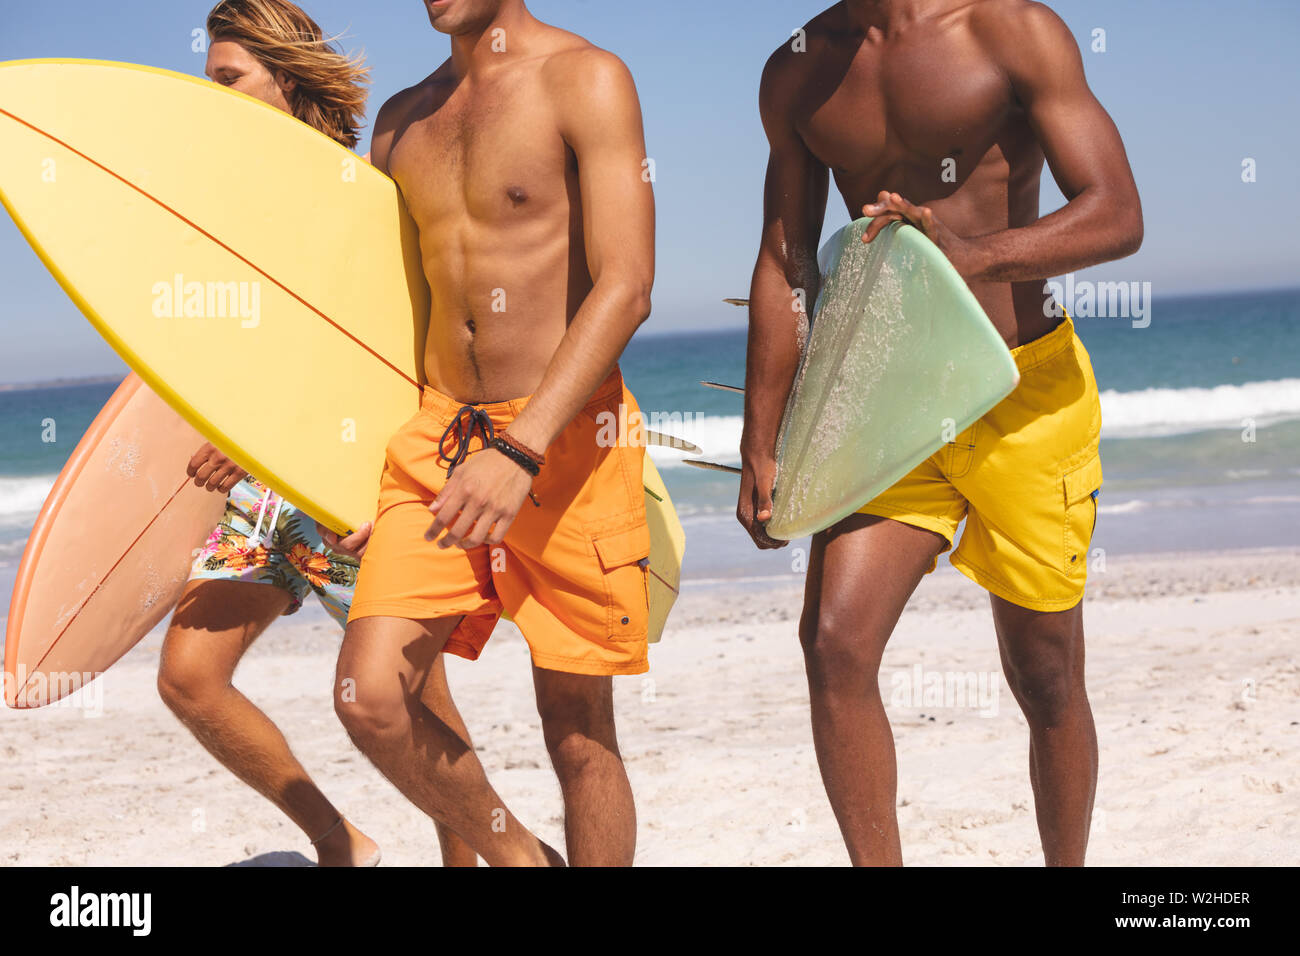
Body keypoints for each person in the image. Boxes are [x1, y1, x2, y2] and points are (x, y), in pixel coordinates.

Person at [737, 0, 1142, 866]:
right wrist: (759, 440)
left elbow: (1116, 214)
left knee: (1044, 675)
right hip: (888, 395)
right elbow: (786, 261)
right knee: (834, 644)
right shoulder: (799, 68)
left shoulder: (1010, 30)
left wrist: (978, 255)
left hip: (1023, 393)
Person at [321, 0, 655, 867]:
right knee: (369, 697)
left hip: (569, 436)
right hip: (437, 436)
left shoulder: (586, 79)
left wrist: (522, 446)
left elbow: (626, 285)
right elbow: (387, 313)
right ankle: (519, 859)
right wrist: (348, 468)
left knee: (578, 731)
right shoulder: (400, 123)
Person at [157, 0, 477, 868]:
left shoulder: (354, 194)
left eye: (230, 78)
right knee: (189, 678)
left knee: (414, 702)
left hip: (346, 477)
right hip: (267, 485)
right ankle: (342, 844)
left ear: (285, 81)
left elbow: (386, 345)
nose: (215, 95)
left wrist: (306, 440)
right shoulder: (229, 204)